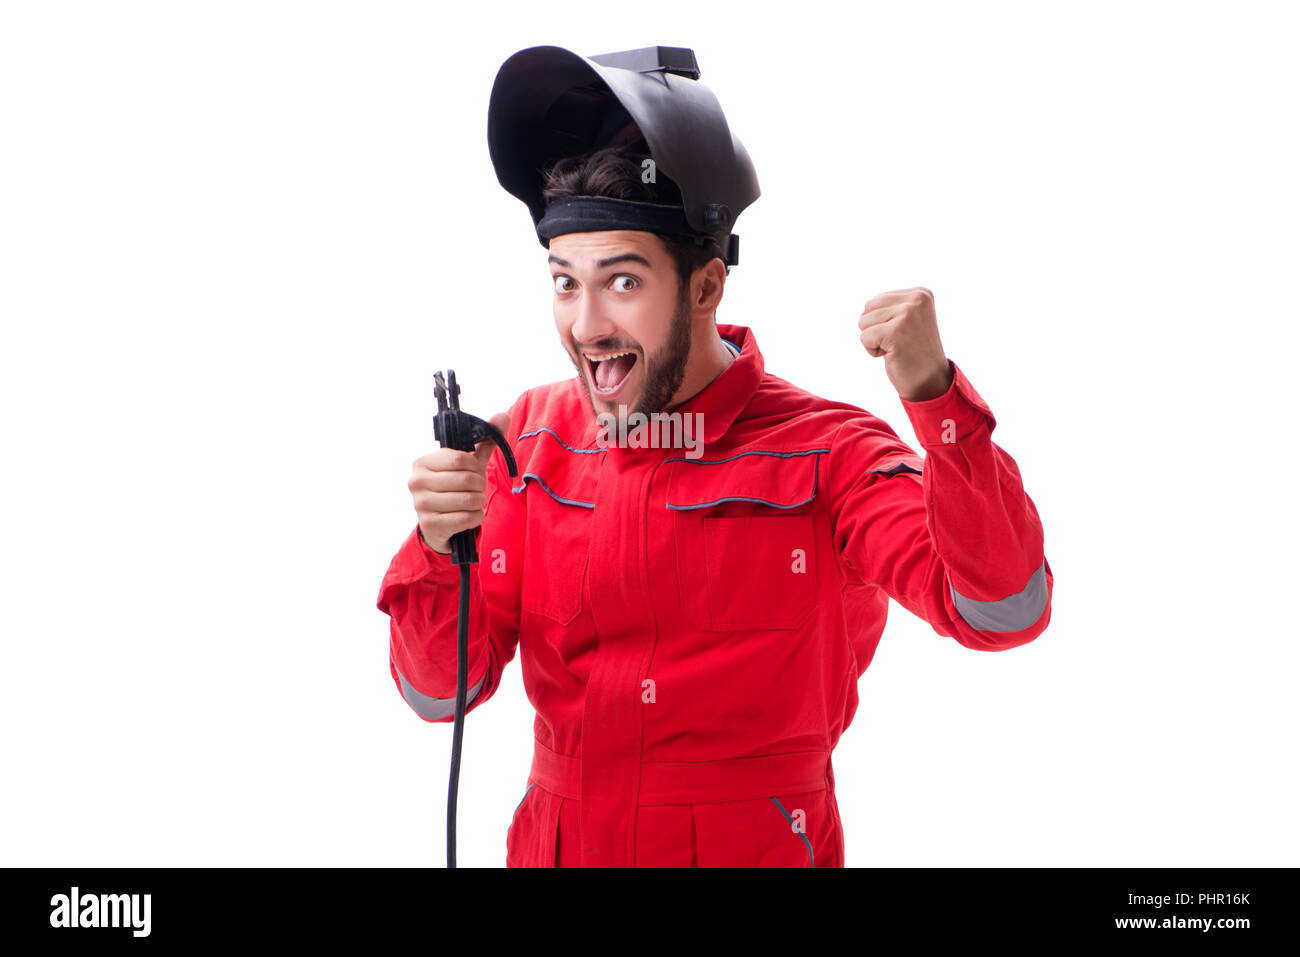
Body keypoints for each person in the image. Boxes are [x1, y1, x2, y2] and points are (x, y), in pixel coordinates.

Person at [377, 46, 1053, 867]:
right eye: (565, 281)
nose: (586, 324)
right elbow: (437, 690)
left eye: (622, 282)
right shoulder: (528, 442)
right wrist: (436, 545)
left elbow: (1001, 606)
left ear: (705, 286)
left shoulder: (826, 455)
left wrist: (937, 399)